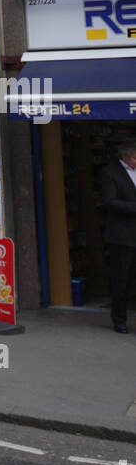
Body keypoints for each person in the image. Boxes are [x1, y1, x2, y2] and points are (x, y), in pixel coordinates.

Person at [101, 140, 136, 334]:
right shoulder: (110, 172)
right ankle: (119, 319)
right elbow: (110, 202)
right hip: (122, 236)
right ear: (127, 157)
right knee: (122, 279)